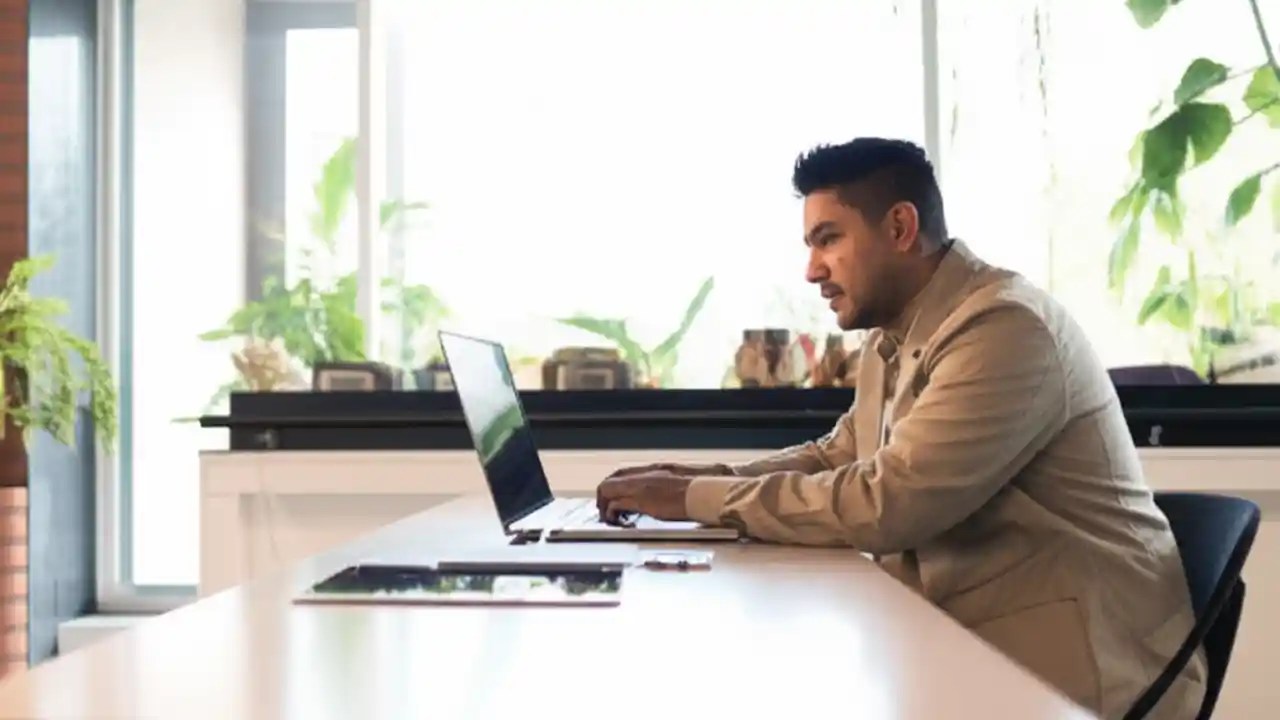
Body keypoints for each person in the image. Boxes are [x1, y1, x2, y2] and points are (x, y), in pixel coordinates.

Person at [597, 138, 1206, 719]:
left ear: (899, 228)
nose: (812, 270)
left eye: (828, 239)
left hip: (1081, 675)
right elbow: (839, 456)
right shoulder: (896, 339)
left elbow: (889, 502)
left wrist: (693, 500)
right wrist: (701, 480)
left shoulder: (1003, 330)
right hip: (977, 640)